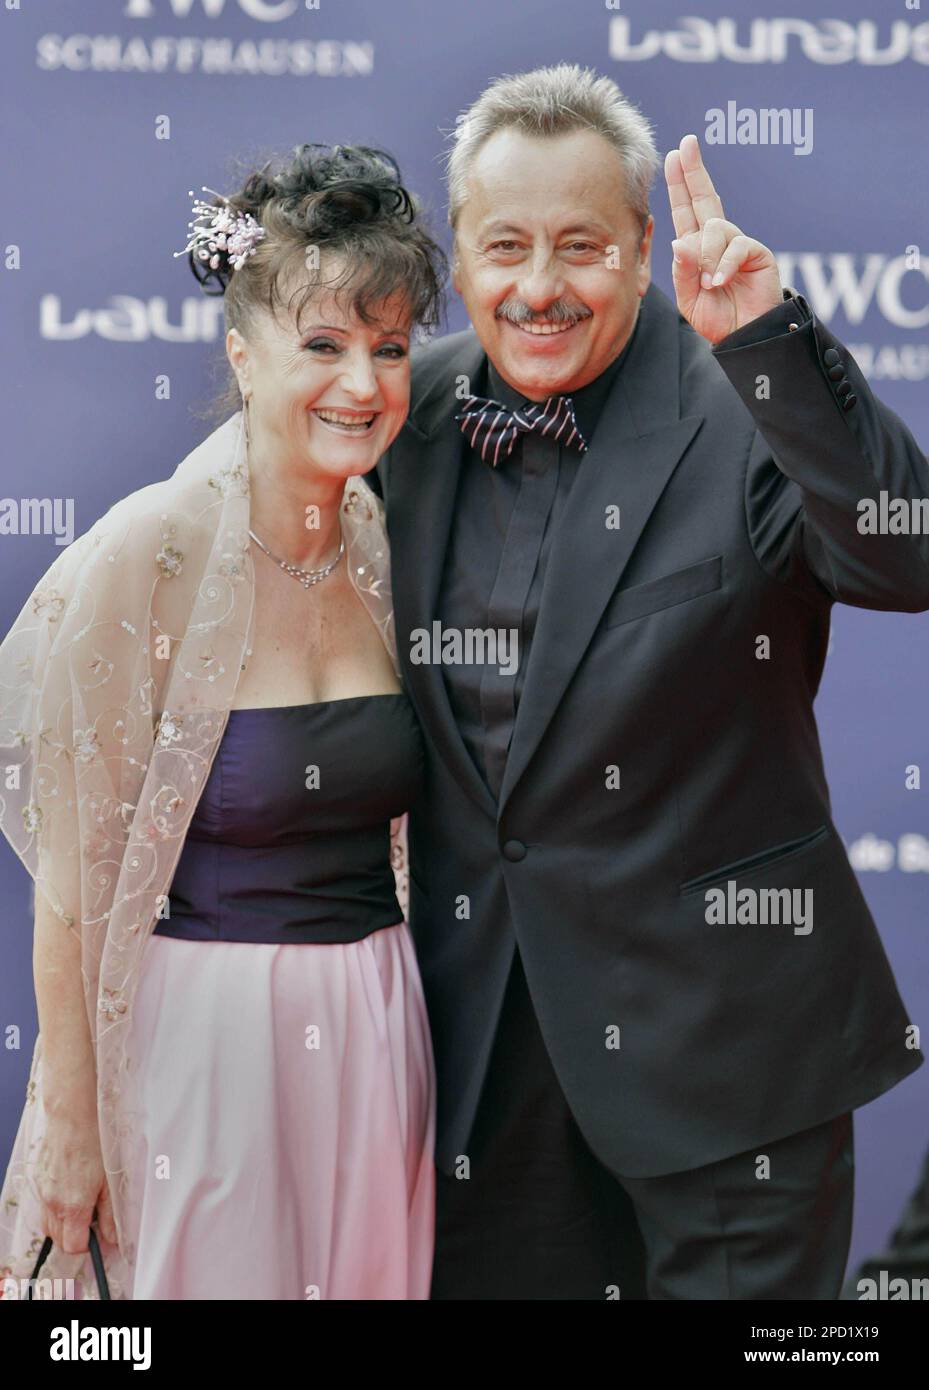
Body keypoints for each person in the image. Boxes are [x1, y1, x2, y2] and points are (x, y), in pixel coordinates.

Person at [370, 64, 929, 1300]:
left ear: (637, 250)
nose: (538, 285)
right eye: (503, 244)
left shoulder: (743, 402)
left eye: (579, 245)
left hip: (728, 1063)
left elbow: (904, 552)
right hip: (482, 1076)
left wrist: (769, 345)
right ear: (455, 258)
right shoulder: (400, 421)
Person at [0, 143, 447, 1300]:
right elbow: (73, 875)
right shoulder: (145, 553)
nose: (363, 383)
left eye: (390, 349)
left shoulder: (397, 550)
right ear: (243, 357)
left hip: (372, 1036)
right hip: (198, 1050)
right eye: (323, 346)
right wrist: (69, 1118)